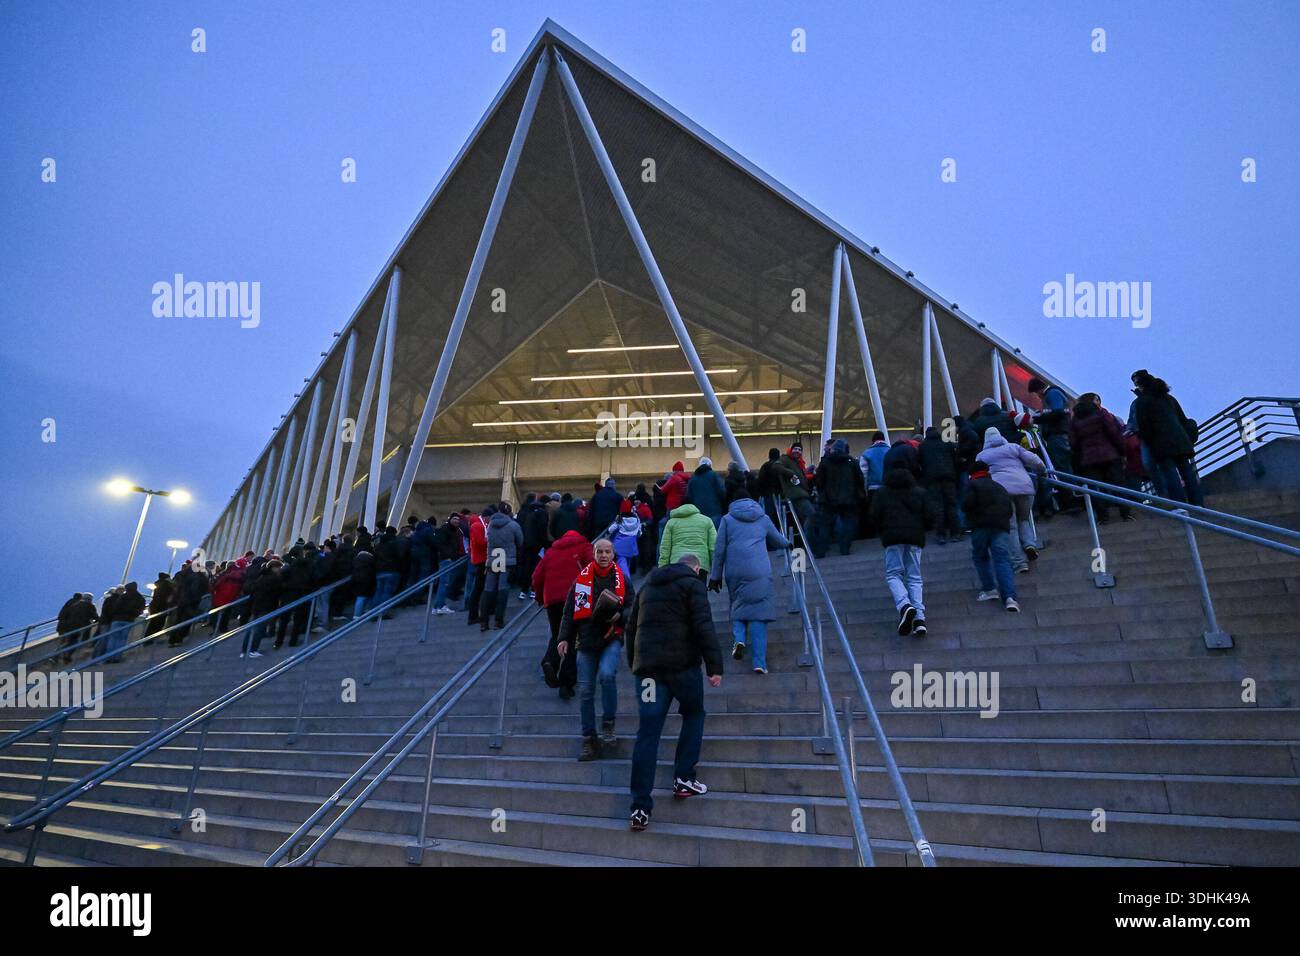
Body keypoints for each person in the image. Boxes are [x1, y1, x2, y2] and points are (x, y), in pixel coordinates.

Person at [624, 553, 724, 831]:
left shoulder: (647, 585)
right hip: (682, 668)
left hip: (648, 674)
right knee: (693, 714)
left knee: (647, 733)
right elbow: (704, 625)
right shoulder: (692, 585)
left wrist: (635, 663)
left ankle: (640, 807)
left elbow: (630, 628)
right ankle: (683, 777)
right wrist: (715, 666)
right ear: (694, 568)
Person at [557, 539, 635, 761]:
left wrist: (622, 616)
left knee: (608, 675)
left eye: (607, 551)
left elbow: (633, 606)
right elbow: (568, 611)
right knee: (585, 691)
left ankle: (608, 724)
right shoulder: (580, 580)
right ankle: (588, 739)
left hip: (612, 637)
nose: (603, 555)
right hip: (587, 639)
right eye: (599, 551)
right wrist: (563, 638)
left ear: (613, 554)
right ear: (593, 553)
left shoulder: (623, 579)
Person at [708, 495, 790, 674]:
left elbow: (719, 550)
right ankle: (759, 663)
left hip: (735, 571)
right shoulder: (763, 518)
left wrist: (715, 576)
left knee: (738, 604)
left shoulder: (727, 520)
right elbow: (778, 540)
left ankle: (739, 639)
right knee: (758, 614)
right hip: (759, 570)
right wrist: (790, 543)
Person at [870, 468, 933, 637]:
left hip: (892, 537)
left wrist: (882, 530)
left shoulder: (882, 493)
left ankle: (904, 605)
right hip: (914, 537)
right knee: (914, 577)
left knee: (893, 574)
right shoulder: (919, 492)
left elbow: (874, 515)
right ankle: (919, 619)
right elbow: (930, 515)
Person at [534, 528, 593, 700]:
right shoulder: (584, 546)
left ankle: (550, 661)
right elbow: (593, 567)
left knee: (557, 635)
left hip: (552, 600)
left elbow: (537, 577)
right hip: (576, 596)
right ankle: (566, 684)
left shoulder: (551, 552)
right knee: (574, 638)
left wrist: (540, 597)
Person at [1130, 371, 1203, 506]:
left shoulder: (1142, 402)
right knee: (1187, 472)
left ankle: (1180, 504)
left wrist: (1143, 438)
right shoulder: (1169, 398)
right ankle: (1198, 503)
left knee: (1170, 473)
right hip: (1180, 440)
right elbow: (1182, 419)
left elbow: (1143, 426)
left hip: (1160, 443)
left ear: (1141, 386)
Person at [979, 426, 1046, 572]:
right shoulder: (1013, 447)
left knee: (1011, 526)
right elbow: (1034, 460)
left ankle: (1019, 562)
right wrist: (1043, 470)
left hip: (1001, 492)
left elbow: (979, 478)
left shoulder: (982, 456)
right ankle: (1029, 544)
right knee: (1024, 518)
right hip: (1024, 487)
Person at [962, 459, 1021, 612]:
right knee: (1002, 560)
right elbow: (1008, 508)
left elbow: (966, 504)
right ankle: (1010, 597)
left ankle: (989, 589)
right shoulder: (999, 486)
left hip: (980, 526)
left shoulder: (972, 485)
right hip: (1000, 526)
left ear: (972, 474)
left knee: (981, 557)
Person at [1069, 393, 1133, 522]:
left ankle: (1103, 517)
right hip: (1109, 455)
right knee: (1118, 484)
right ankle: (1125, 513)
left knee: (1096, 489)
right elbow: (1114, 433)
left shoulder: (1075, 420)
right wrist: (1122, 453)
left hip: (1089, 459)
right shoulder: (1101, 414)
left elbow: (1073, 442)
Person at [813, 438, 866, 557]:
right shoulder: (851, 462)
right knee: (848, 524)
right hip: (849, 499)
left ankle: (821, 551)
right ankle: (845, 548)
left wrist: (823, 493)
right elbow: (860, 480)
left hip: (828, 499)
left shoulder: (825, 463)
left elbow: (819, 482)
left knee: (825, 525)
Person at [482, 503, 523, 630]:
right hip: (506, 559)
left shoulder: (491, 526)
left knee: (488, 589)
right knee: (502, 589)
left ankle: (484, 621)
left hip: (493, 559)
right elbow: (520, 541)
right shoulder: (513, 525)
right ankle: (498, 620)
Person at [918, 426, 962, 543]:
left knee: (938, 507)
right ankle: (956, 533)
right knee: (951, 505)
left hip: (932, 480)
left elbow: (920, 463)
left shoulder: (923, 446)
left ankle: (940, 534)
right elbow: (954, 460)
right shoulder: (946, 443)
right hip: (948, 478)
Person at [658, 502, 718, 573]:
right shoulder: (707, 520)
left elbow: (665, 548)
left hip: (677, 564)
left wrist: (662, 568)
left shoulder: (671, 523)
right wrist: (715, 571)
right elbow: (714, 547)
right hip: (700, 565)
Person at [242, 559, 283, 658]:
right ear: (274, 568)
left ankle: (244, 651)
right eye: (279, 568)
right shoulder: (274, 579)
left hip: (256, 605)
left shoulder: (261, 577)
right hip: (267, 605)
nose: (280, 570)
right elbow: (278, 592)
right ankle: (253, 650)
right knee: (259, 628)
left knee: (251, 628)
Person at [99, 581, 145, 662]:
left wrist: (116, 614)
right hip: (129, 620)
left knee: (113, 638)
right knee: (122, 640)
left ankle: (108, 658)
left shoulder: (123, 596)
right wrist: (134, 614)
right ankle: (117, 657)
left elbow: (117, 606)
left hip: (117, 619)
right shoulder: (140, 598)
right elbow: (141, 609)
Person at [464, 507, 494, 625]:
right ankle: (473, 615)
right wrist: (491, 540)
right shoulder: (477, 526)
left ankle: (477, 613)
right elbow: (480, 542)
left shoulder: (478, 525)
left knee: (479, 588)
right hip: (481, 560)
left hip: (481, 559)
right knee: (478, 588)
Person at [432, 515, 466, 614]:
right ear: (449, 519)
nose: (456, 521)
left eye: (458, 519)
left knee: (443, 583)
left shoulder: (455, 531)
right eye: (454, 519)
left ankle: (437, 606)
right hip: (446, 560)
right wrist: (448, 556)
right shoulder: (445, 530)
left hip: (449, 559)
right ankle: (441, 605)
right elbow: (440, 544)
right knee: (445, 583)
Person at [604, 500, 643, 580]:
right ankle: (625, 579)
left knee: (622, 565)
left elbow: (611, 529)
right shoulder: (636, 519)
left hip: (620, 546)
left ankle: (625, 582)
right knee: (627, 564)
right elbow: (640, 531)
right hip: (632, 545)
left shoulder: (620, 519)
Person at [687, 457, 726, 528]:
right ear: (710, 465)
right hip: (714, 511)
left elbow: (689, 496)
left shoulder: (693, 478)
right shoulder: (714, 475)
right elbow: (722, 492)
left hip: (698, 513)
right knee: (715, 536)